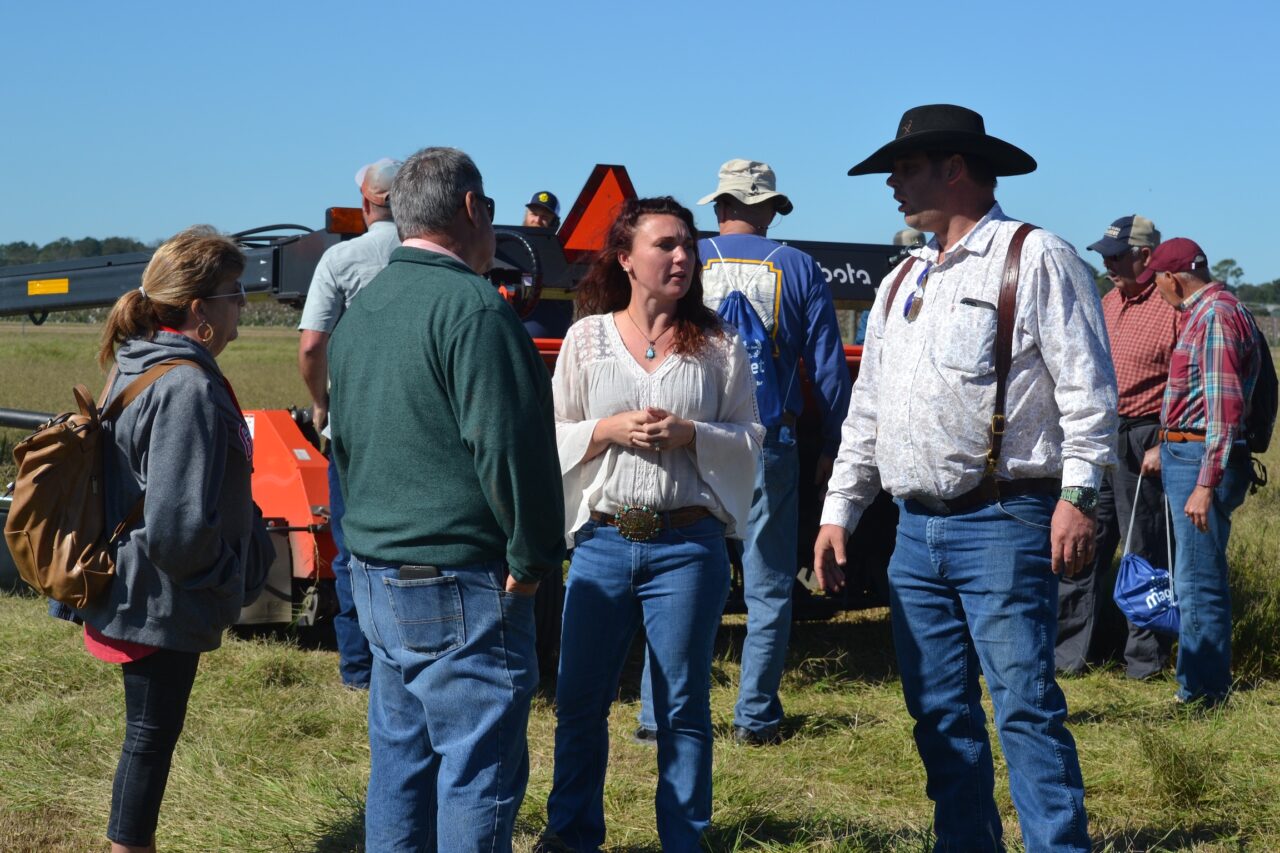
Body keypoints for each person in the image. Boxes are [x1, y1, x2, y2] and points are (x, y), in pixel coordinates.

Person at [814, 104, 1117, 852]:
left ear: (956, 168)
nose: (891, 180)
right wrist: (837, 511)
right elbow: (871, 407)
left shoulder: (1036, 254)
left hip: (1005, 518)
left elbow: (1088, 388)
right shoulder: (902, 278)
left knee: (1024, 707)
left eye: (906, 166)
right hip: (913, 533)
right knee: (939, 712)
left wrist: (1079, 496)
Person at [328, 147, 566, 852]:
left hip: (375, 573)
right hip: (459, 579)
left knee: (399, 765)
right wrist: (531, 559)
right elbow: (511, 450)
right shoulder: (473, 309)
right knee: (478, 772)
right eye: (489, 207)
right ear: (471, 209)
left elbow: (345, 443)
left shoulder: (362, 309)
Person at [543, 196, 763, 852]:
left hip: (688, 547)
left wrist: (691, 432)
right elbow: (548, 437)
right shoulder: (586, 339)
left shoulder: (719, 341)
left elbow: (753, 438)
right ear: (625, 258)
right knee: (580, 704)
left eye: (688, 246)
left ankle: (683, 840)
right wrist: (606, 429)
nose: (681, 257)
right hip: (604, 543)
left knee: (683, 708)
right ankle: (572, 834)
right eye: (665, 244)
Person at [66, 226, 273, 853]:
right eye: (236, 295)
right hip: (163, 596)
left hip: (140, 586)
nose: (244, 307)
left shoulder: (142, 360)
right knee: (149, 739)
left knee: (148, 736)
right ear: (199, 309)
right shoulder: (187, 387)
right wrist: (225, 578)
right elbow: (179, 531)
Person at [634, 160, 851, 747]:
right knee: (769, 583)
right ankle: (754, 715)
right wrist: (837, 444)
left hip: (687, 434)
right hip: (768, 441)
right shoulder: (799, 267)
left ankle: (659, 716)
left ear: (719, 206)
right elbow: (828, 369)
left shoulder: (683, 259)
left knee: (675, 576)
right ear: (770, 208)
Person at [1140, 237, 1262, 707]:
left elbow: (1225, 408)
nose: (1159, 291)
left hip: (1199, 463)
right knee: (1193, 574)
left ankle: (1203, 694)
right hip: (1185, 454)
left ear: (1173, 277)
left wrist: (1205, 484)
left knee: (1197, 579)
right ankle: (1199, 683)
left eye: (1159, 282)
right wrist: (1164, 444)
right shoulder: (1215, 311)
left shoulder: (1213, 317)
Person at [1057, 215, 1177, 679]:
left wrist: (1163, 441)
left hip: (1145, 439)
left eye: (1115, 256)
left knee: (1142, 549)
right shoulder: (1107, 302)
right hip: (1101, 437)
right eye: (1103, 256)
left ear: (1144, 256)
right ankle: (1068, 656)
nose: (1106, 264)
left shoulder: (1170, 306)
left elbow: (1185, 383)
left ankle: (1143, 663)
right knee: (1081, 543)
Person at [297, 156, 401, 690]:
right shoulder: (440, 256)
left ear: (365, 204)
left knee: (351, 543)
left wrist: (320, 404)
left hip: (355, 430)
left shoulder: (342, 259)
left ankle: (359, 667)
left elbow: (313, 344)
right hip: (425, 432)